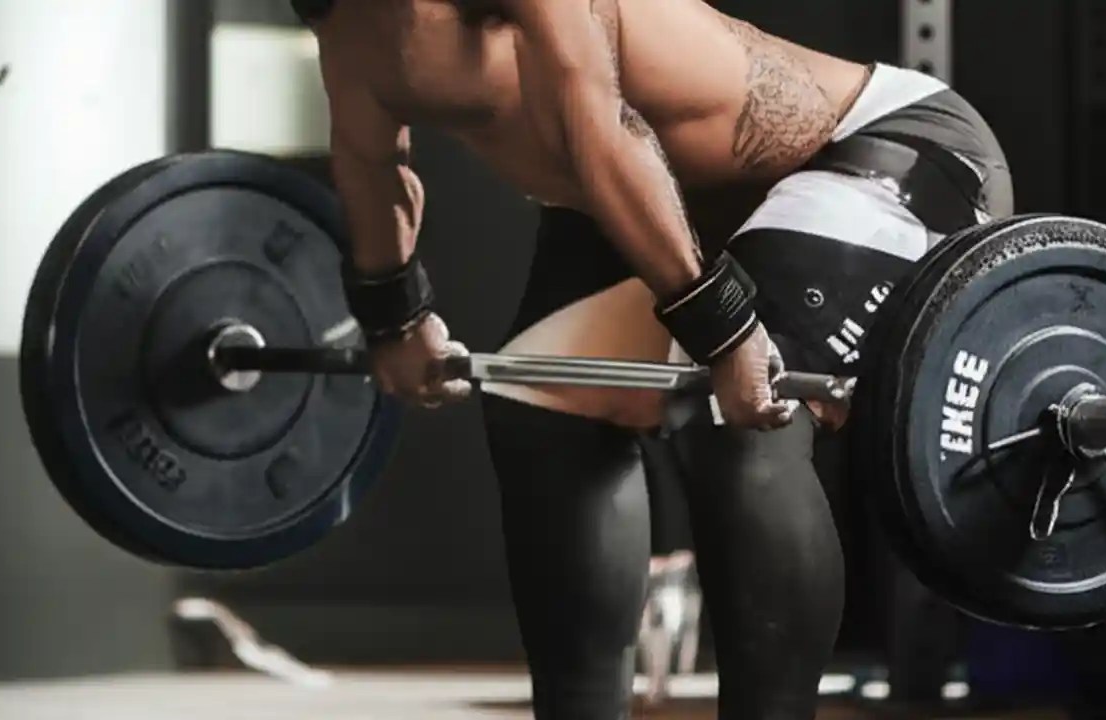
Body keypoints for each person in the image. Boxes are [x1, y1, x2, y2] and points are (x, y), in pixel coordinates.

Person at [292, 1, 1013, 718]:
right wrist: (397, 320)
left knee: (730, 418)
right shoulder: (347, 30)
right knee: (536, 412)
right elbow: (369, 162)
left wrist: (726, 333)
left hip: (882, 150)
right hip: (666, 197)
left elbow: (605, 128)